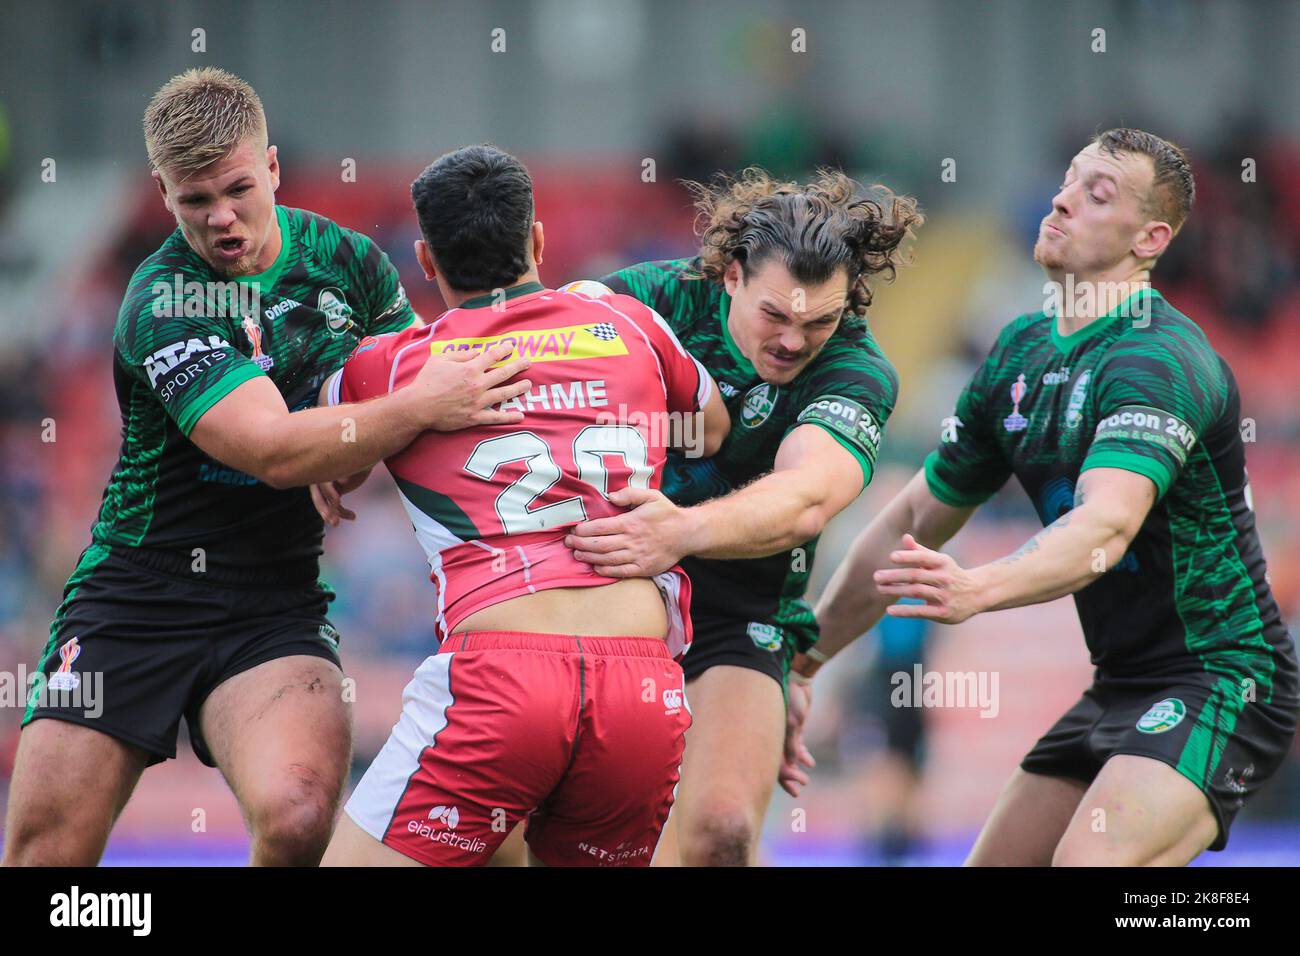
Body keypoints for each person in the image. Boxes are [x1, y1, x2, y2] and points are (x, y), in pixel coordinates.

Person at [2, 69, 530, 867]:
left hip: (273, 600)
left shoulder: (348, 264)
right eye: (193, 201)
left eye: (238, 188)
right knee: (46, 858)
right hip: (134, 593)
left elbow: (376, 418)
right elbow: (279, 448)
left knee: (298, 812)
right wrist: (379, 422)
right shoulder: (163, 299)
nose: (221, 219)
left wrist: (347, 448)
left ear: (273, 167)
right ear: (162, 192)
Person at [800, 128, 1299, 866]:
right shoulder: (1019, 352)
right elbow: (910, 521)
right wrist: (801, 664)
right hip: (1118, 687)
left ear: (1151, 237)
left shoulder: (1157, 359)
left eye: (1097, 195)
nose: (1062, 199)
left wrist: (981, 587)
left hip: (1225, 681)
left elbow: (1108, 524)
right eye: (1067, 181)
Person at [318, 145, 730, 867]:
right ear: (537, 240)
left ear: (426, 260)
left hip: (501, 681)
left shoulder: (394, 365)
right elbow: (712, 426)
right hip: (642, 682)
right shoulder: (629, 323)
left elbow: (316, 456)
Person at [565, 168, 922, 865]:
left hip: (739, 611)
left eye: (820, 320)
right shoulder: (656, 298)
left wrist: (678, 531)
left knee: (724, 831)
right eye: (776, 317)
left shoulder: (858, 370)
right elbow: (542, 329)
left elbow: (808, 497)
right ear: (731, 277)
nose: (794, 340)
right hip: (606, 588)